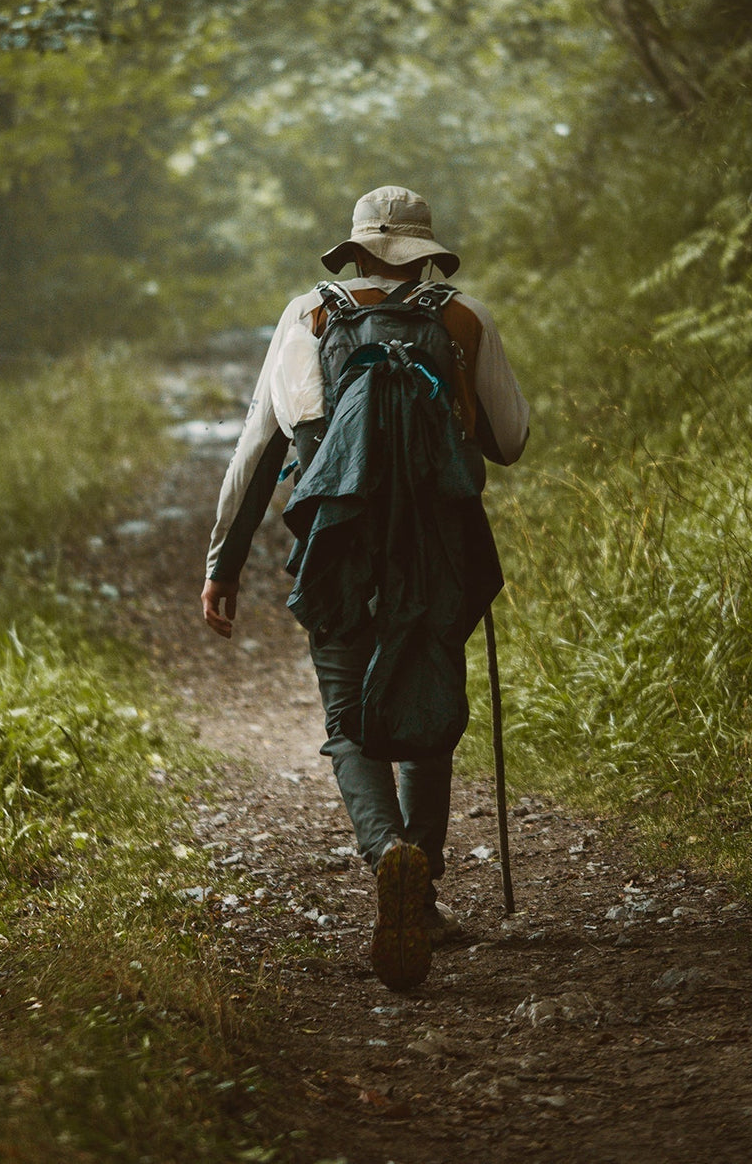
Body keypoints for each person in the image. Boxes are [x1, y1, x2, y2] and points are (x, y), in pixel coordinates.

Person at [200, 185, 529, 989]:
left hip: (339, 544)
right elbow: (512, 440)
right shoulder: (462, 317)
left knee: (348, 717)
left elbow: (255, 451)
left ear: (354, 249)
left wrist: (224, 562)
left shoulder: (307, 316)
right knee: (426, 700)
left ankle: (389, 855)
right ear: (425, 249)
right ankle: (424, 888)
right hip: (437, 546)